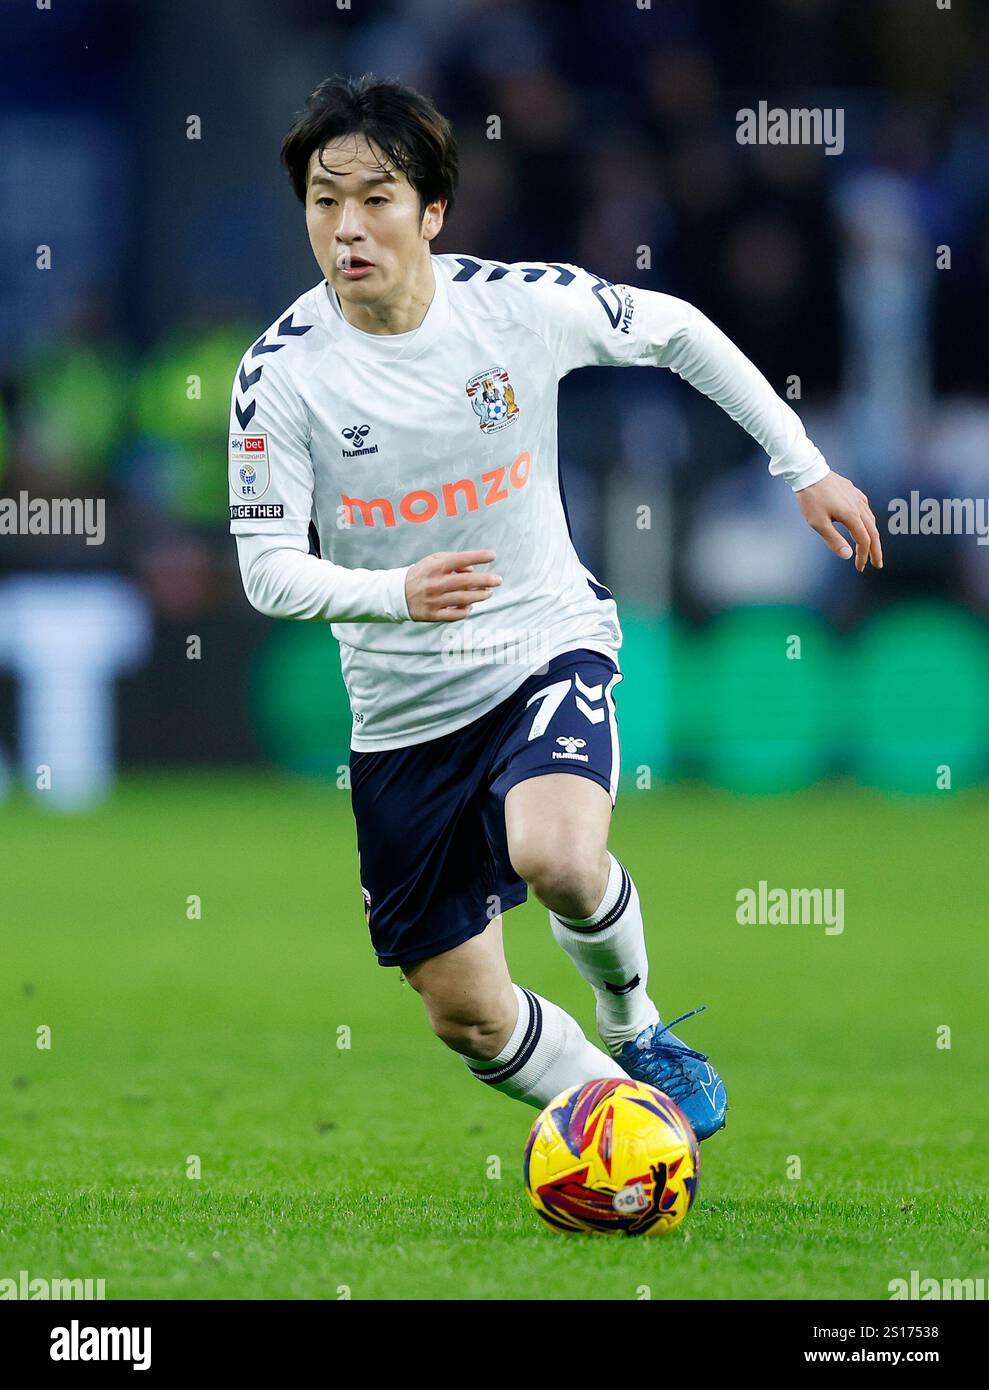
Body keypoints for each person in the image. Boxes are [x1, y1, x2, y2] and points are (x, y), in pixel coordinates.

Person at [228, 75, 882, 1142]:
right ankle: (628, 1125)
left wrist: (801, 465)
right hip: (400, 717)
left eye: (375, 198)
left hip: (541, 644)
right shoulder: (281, 378)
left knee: (559, 856)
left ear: (431, 212)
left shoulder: (513, 306)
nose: (346, 227)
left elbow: (670, 328)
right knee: (467, 1014)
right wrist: (394, 593)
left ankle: (637, 1028)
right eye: (322, 200)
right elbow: (265, 570)